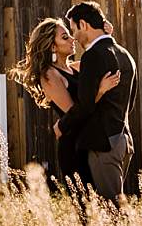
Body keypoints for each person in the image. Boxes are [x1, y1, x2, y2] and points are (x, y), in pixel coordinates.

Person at [7, 17, 120, 189]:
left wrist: (106, 36)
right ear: (53, 46)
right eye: (65, 37)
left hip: (90, 141)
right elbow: (74, 112)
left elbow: (108, 61)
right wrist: (100, 91)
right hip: (74, 146)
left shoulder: (78, 66)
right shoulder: (49, 75)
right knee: (85, 205)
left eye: (70, 35)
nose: (72, 39)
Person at [54, 1, 138, 203]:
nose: (73, 36)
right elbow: (130, 102)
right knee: (112, 205)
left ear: (83, 24)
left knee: (112, 210)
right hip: (123, 139)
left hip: (104, 144)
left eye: (73, 28)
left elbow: (86, 105)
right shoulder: (126, 55)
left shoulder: (93, 56)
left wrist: (61, 125)